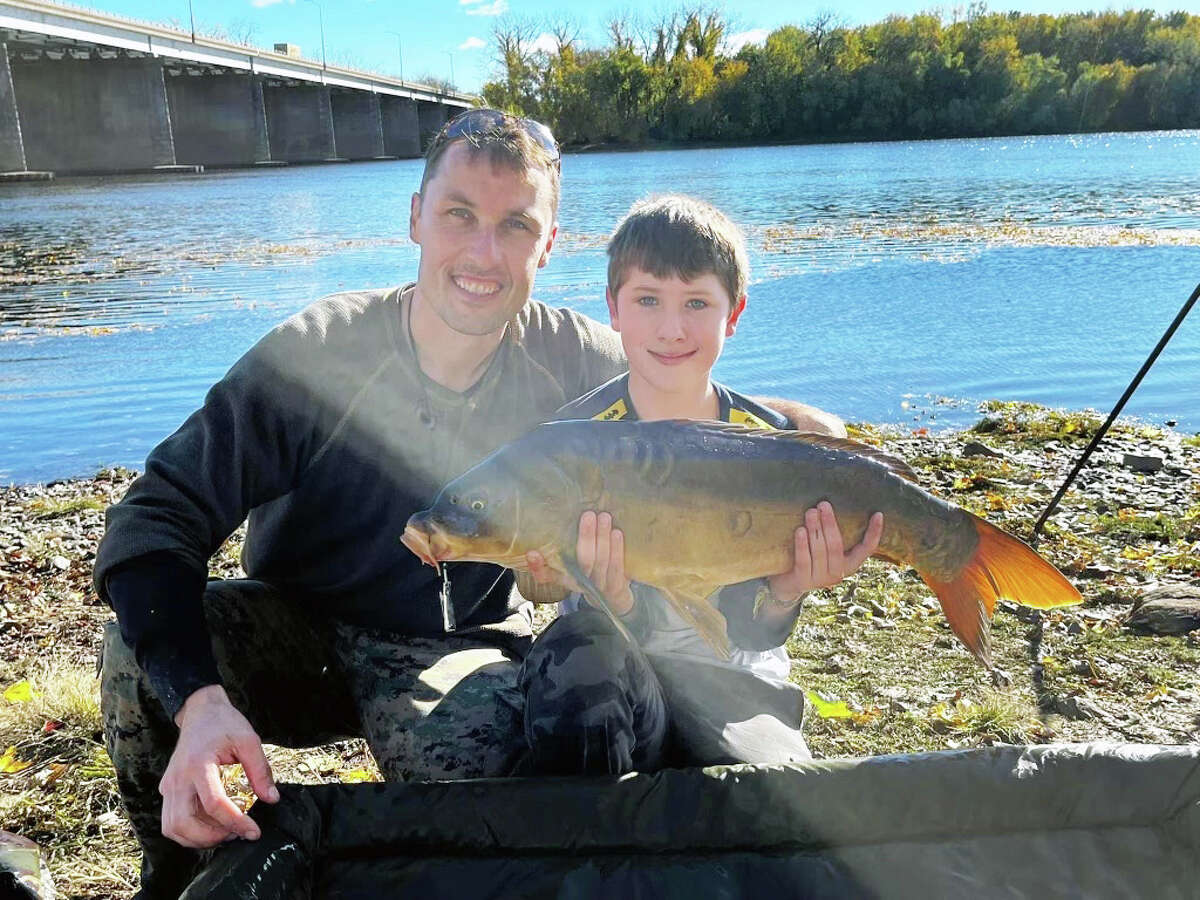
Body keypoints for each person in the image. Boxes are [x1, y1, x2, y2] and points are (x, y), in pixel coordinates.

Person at [93, 109, 634, 899]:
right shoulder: (320, 354)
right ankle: (174, 872)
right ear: (415, 216)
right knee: (133, 663)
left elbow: (703, 421)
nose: (484, 253)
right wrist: (201, 705)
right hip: (295, 631)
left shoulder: (581, 366)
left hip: (455, 649)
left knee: (498, 830)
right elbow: (152, 518)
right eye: (459, 215)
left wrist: (803, 430)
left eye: (515, 226)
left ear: (548, 244)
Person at [516, 195, 884, 775]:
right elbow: (543, 586)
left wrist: (787, 591)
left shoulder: (768, 443)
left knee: (765, 806)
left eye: (696, 303)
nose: (671, 327)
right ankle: (595, 838)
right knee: (577, 652)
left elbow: (751, 630)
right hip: (618, 678)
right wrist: (606, 598)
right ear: (612, 308)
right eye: (647, 300)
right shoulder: (572, 440)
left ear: (732, 314)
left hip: (735, 686)